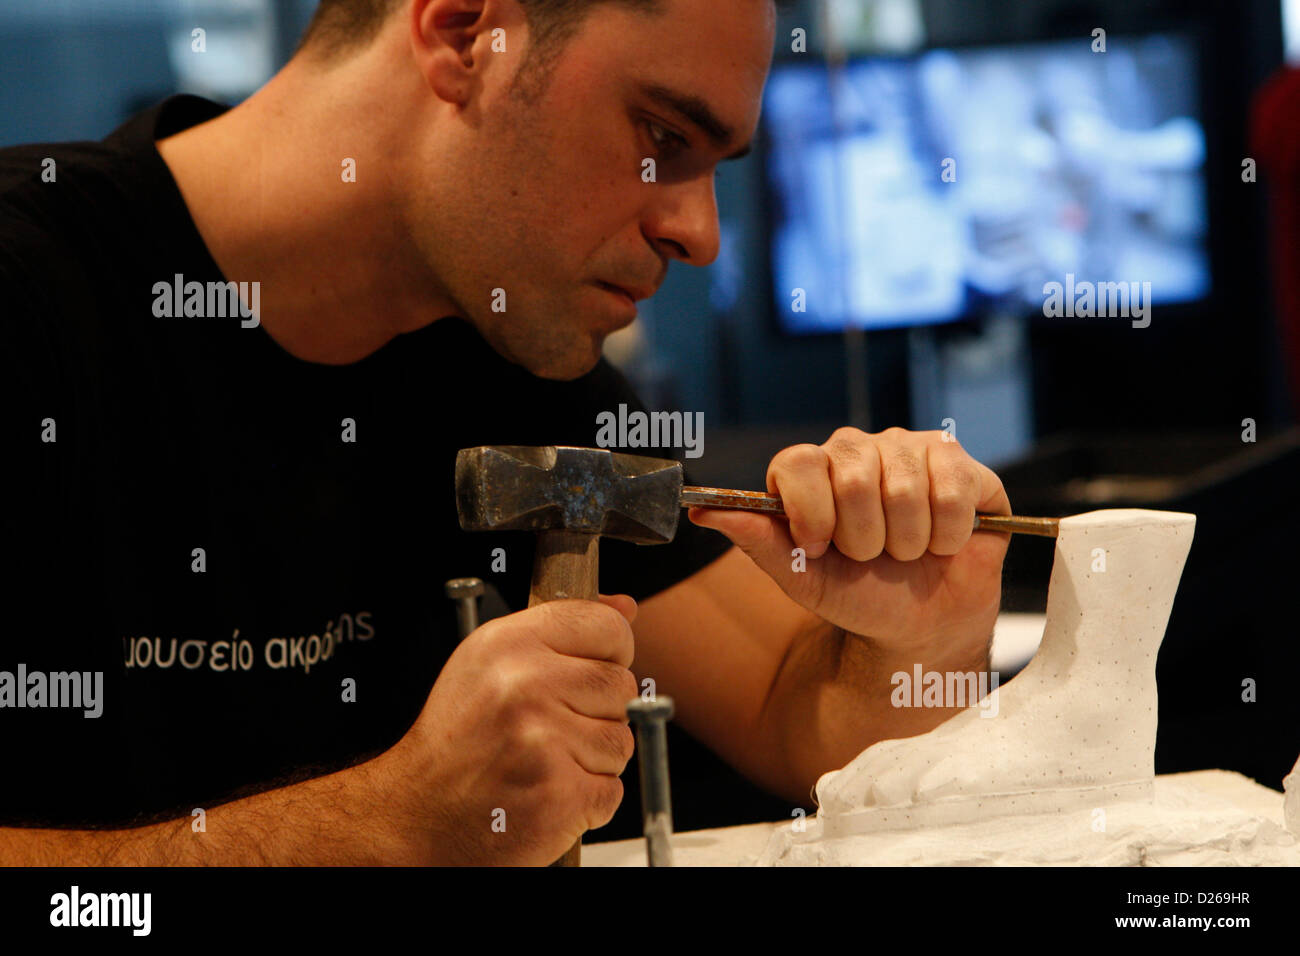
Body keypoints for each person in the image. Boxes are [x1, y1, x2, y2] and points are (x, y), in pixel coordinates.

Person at [0, 0, 1010, 865]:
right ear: (462, 31)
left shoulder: (504, 357)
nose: (699, 233)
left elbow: (808, 722)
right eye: (661, 137)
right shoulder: (35, 293)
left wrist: (924, 632)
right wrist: (389, 822)